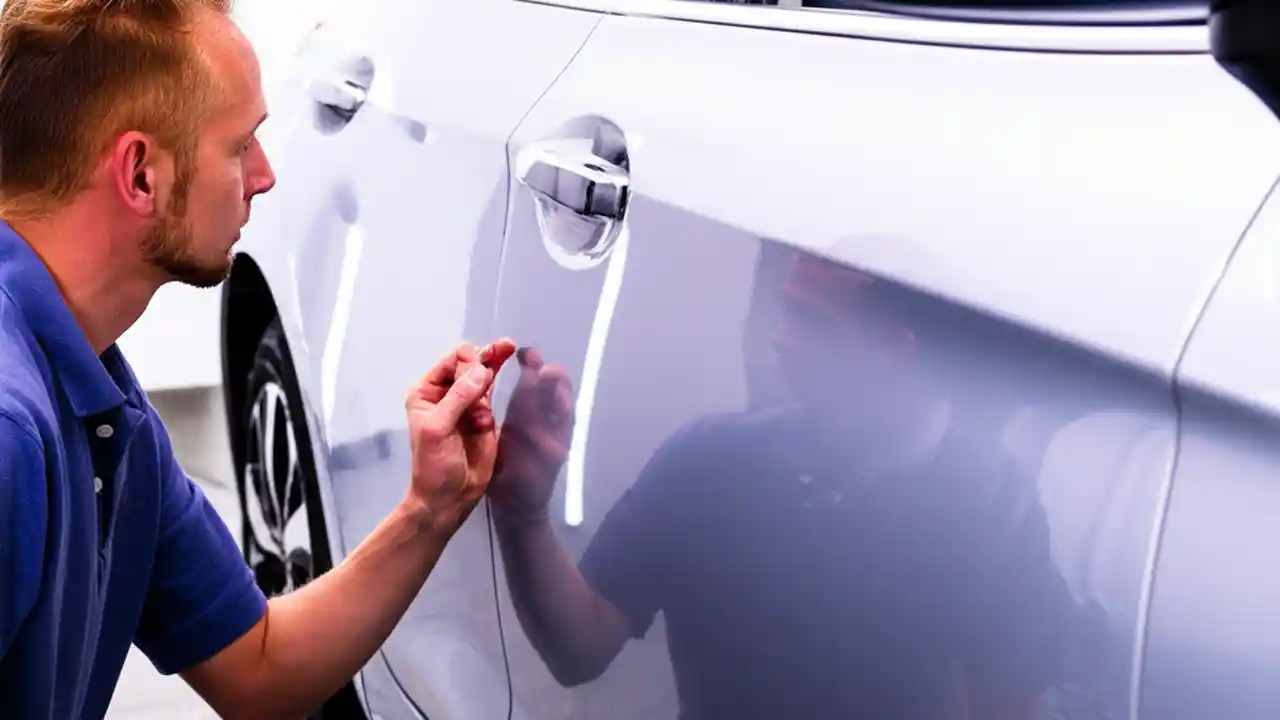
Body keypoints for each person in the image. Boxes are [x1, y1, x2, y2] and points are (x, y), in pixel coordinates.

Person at [0, 1, 516, 717]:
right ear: (141, 174)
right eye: (240, 145)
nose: (265, 175)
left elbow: (259, 665)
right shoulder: (9, 434)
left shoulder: (102, 405)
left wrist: (429, 507)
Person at [490, 248, 1075, 719]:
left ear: (892, 352)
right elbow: (580, 648)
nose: (780, 338)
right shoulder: (710, 461)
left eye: (811, 321)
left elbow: (1007, 706)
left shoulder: (991, 505)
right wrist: (523, 512)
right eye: (785, 310)